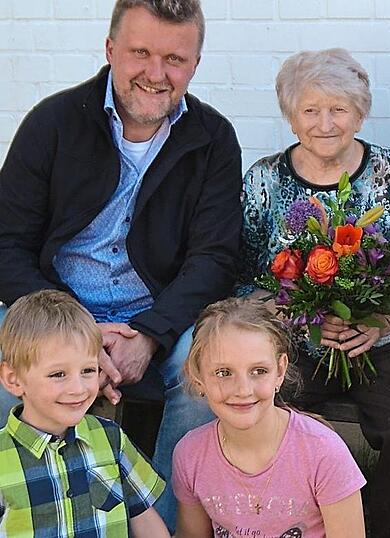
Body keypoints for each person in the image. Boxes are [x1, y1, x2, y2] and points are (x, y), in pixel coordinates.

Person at [0, 0, 240, 528]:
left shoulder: (213, 138)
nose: (156, 75)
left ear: (195, 64)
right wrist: (75, 330)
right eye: (140, 53)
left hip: (158, 316)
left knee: (205, 371)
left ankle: (165, 522)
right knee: (10, 371)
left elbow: (215, 256)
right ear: (110, 50)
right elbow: (7, 244)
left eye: (175, 59)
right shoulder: (54, 122)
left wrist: (150, 334)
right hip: (56, 304)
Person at [236, 48, 390, 538]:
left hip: (387, 340)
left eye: (338, 109)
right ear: (290, 115)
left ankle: (389, 528)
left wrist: (378, 322)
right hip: (293, 343)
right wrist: (299, 318)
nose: (325, 123)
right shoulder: (264, 180)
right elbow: (241, 281)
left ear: (360, 113)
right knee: (266, 408)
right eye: (310, 109)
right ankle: (288, 526)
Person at [173, 298, 366, 538]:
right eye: (224, 373)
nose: (243, 390)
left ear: (280, 370)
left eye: (259, 371)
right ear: (198, 376)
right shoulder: (191, 454)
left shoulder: (323, 452)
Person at [0, 290, 169, 537]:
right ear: (14, 380)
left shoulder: (111, 439)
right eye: (58, 374)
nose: (78, 388)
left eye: (88, 370)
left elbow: (143, 518)